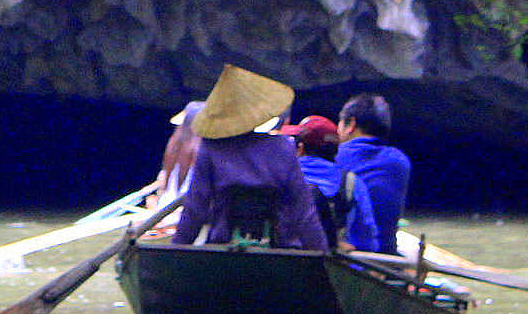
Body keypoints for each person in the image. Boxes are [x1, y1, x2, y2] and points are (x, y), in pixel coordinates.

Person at [170, 66, 328, 252]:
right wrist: (320, 254)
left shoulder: (210, 148)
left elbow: (196, 209)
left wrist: (177, 249)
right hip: (278, 250)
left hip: (224, 249)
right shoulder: (283, 147)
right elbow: (303, 211)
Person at [282, 115, 378, 252]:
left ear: (300, 148)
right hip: (332, 264)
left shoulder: (282, 175)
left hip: (284, 257)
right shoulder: (353, 183)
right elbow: (367, 240)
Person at [335, 92, 409, 254]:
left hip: (349, 255)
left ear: (351, 124)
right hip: (386, 255)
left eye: (340, 122)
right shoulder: (400, 161)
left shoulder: (334, 156)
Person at [151, 101, 203, 208]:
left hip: (165, 206)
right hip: (185, 211)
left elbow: (162, 184)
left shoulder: (173, 146)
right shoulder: (203, 152)